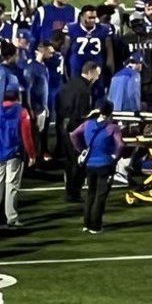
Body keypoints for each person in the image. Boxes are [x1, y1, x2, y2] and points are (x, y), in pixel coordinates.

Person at [71, 100, 125, 234]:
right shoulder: (113, 128)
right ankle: (95, 225)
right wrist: (115, 157)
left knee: (90, 193)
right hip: (105, 164)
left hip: (90, 164)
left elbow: (73, 134)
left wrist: (81, 149)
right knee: (100, 196)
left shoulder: (88, 124)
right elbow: (120, 144)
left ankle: (87, 223)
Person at [0, 86, 36, 228]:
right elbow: (26, 135)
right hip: (14, 153)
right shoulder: (22, 112)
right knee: (11, 185)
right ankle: (11, 217)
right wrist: (32, 155)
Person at [56, 61, 100, 202]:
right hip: (76, 129)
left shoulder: (70, 83)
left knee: (69, 162)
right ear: (90, 72)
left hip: (64, 126)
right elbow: (82, 114)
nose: (98, 78)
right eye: (97, 74)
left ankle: (70, 190)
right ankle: (74, 192)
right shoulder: (84, 90)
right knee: (79, 161)